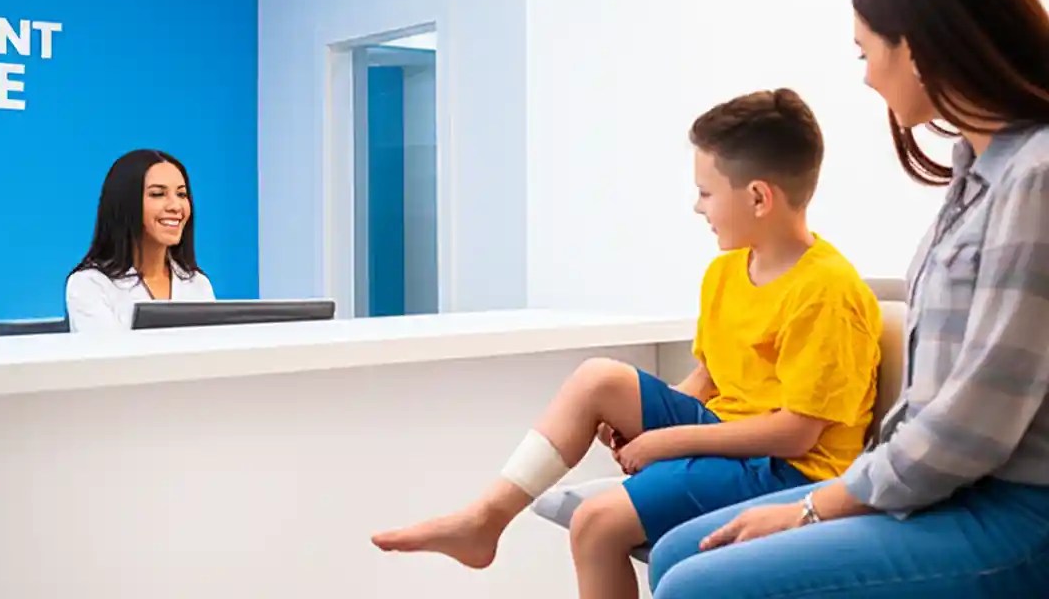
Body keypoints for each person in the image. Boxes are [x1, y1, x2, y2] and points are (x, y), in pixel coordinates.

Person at [647, 0, 1049, 599]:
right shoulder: (977, 170)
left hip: (1012, 510)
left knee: (698, 586)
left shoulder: (1036, 174)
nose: (865, 76)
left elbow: (977, 418)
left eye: (866, 52)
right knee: (676, 554)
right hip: (946, 488)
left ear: (918, 49)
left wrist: (816, 505)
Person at [371, 89, 882, 599]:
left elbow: (797, 434)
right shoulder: (726, 270)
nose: (696, 206)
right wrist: (641, 424)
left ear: (757, 197)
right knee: (600, 379)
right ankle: (485, 521)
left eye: (706, 193)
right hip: (732, 436)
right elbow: (709, 378)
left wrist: (670, 441)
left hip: (786, 472)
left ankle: (489, 525)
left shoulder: (827, 291)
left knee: (596, 524)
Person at [66, 149, 215, 332]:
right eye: (158, 194)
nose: (176, 206)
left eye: (182, 195)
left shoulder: (197, 284)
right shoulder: (90, 284)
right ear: (126, 204)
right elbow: (111, 359)